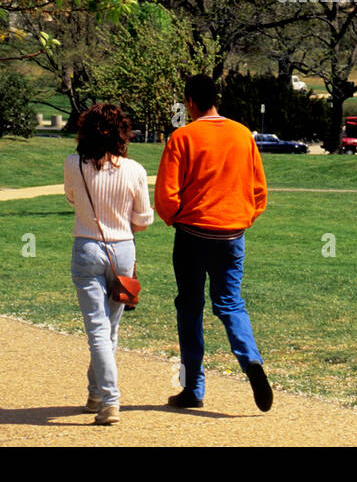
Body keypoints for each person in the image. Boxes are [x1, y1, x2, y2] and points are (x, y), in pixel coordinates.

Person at [155, 73, 272, 412]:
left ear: (190, 102)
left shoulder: (182, 137)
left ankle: (193, 387)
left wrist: (174, 217)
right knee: (230, 303)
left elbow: (167, 194)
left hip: (192, 234)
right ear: (216, 98)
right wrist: (242, 218)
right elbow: (258, 190)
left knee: (190, 308)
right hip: (232, 234)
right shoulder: (242, 135)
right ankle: (251, 361)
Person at [65, 103, 153, 425]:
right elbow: (143, 220)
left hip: (87, 246)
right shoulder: (136, 170)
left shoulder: (73, 164)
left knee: (98, 329)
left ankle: (108, 399)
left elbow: (72, 199)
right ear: (122, 133)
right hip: (123, 252)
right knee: (109, 329)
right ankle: (96, 393)